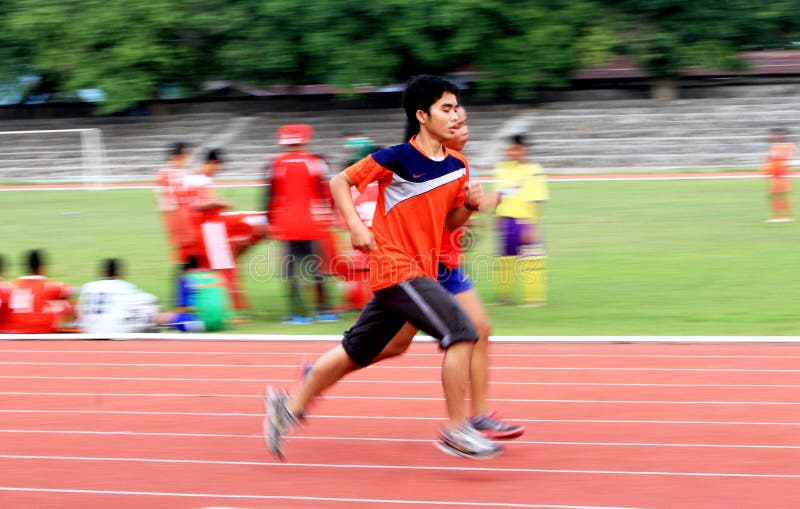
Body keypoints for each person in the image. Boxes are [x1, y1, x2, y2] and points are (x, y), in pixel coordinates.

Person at [264, 75, 501, 461]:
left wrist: (471, 205)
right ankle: (457, 430)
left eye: (457, 107)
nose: (456, 115)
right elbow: (341, 182)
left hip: (419, 271)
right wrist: (357, 228)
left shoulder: (458, 165)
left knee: (357, 351)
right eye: (447, 108)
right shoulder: (396, 158)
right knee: (462, 333)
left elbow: (449, 223)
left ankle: (287, 405)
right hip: (395, 266)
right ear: (422, 116)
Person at [372, 106, 524, 439]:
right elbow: (443, 215)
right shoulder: (424, 169)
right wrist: (490, 200)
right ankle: (337, 362)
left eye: (465, 122)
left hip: (449, 265)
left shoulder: (459, 167)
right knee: (396, 345)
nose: (463, 128)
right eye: (456, 123)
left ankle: (479, 415)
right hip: (425, 267)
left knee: (480, 328)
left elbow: (457, 216)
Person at [265, 124, 338, 324]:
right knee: (316, 267)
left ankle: (297, 313)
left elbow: (269, 196)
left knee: (290, 270)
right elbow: (325, 193)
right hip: (312, 223)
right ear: (305, 140)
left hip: (286, 223)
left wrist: (269, 220)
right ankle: (324, 310)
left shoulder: (274, 164)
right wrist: (329, 215)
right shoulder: (316, 163)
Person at [183, 149, 249, 315]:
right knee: (226, 268)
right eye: (218, 167)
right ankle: (232, 309)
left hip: (193, 231)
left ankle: (195, 306)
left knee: (200, 271)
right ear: (212, 163)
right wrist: (220, 203)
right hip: (211, 230)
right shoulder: (203, 181)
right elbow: (200, 204)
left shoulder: (187, 179)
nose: (217, 171)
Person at [493, 133, 549, 306]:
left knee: (531, 260)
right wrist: (497, 219)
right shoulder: (501, 168)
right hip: (506, 220)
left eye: (514, 149)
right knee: (504, 260)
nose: (510, 152)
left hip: (524, 221)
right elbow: (497, 195)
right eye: (509, 148)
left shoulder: (534, 171)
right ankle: (504, 297)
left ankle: (534, 299)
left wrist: (531, 225)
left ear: (523, 150)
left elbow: (536, 200)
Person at [77, 258, 163, 334]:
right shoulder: (122, 285)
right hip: (115, 334)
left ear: (102, 273)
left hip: (89, 333)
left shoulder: (87, 286)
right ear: (119, 275)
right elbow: (151, 300)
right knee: (151, 310)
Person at [0, 249, 74, 334]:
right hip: (43, 335)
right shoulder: (49, 286)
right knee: (64, 305)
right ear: (41, 267)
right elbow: (69, 292)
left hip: (17, 335)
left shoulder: (13, 286)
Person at [171, 255, 231, 332]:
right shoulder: (216, 275)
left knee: (175, 320)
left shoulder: (185, 278)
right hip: (223, 323)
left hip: (204, 323)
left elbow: (183, 309)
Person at [762, 128, 796, 223]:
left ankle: (786, 216)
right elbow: (769, 159)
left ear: (783, 136)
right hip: (775, 174)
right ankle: (777, 216)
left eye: (775, 135)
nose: (772, 137)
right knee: (773, 195)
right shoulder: (773, 147)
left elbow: (782, 159)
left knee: (781, 195)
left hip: (783, 174)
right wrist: (766, 170)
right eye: (773, 135)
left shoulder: (788, 146)